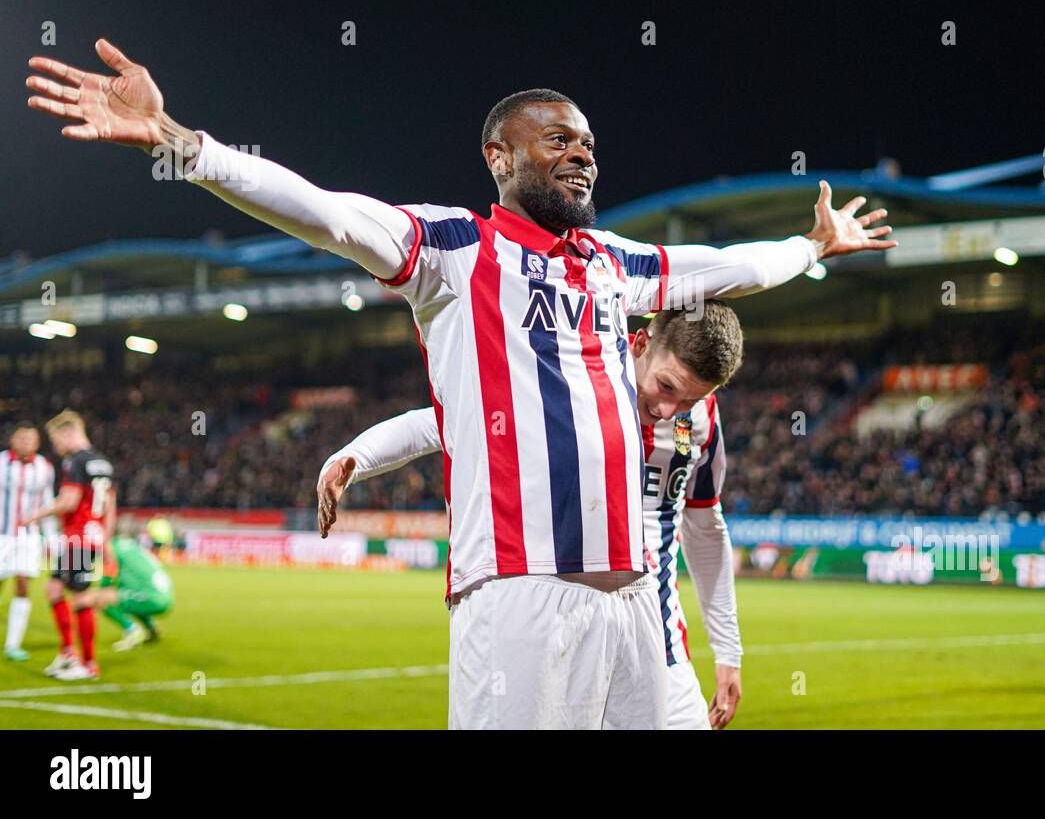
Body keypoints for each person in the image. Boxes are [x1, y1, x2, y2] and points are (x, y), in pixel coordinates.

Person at [27, 39, 896, 726]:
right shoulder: (452, 251)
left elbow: (731, 268)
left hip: (636, 601)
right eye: (559, 139)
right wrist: (182, 145)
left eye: (589, 144)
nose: (583, 156)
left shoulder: (614, 267)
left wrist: (812, 246)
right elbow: (322, 209)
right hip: (522, 595)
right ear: (498, 156)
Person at [321, 301, 746, 728]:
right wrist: (356, 456)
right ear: (637, 345)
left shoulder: (704, 420)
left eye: (692, 399)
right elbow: (439, 422)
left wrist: (728, 650)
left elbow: (705, 527)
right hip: (562, 639)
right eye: (667, 387)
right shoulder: (569, 380)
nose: (670, 410)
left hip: (658, 645)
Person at [19, 411, 116, 681]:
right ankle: (67, 652)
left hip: (77, 538)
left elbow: (69, 501)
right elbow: (110, 507)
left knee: (81, 597)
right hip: (90, 536)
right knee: (54, 588)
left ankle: (88, 664)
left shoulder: (76, 461)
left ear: (68, 432)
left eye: (55, 440)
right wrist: (106, 541)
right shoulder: (103, 463)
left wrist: (34, 515)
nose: (56, 447)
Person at [0, 421, 57, 662]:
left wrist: (52, 540)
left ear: (37, 442)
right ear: (12, 440)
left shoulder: (45, 467)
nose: (25, 442)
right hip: (2, 535)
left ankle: (13, 644)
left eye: (30, 439)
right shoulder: (1, 462)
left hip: (29, 537)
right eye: (21, 438)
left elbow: (47, 504)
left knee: (23, 585)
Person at [97, 534, 173, 652]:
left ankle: (132, 631)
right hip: (165, 596)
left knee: (100, 598)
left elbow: (107, 581)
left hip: (151, 597)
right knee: (129, 598)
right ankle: (152, 630)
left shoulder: (111, 550)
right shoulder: (130, 546)